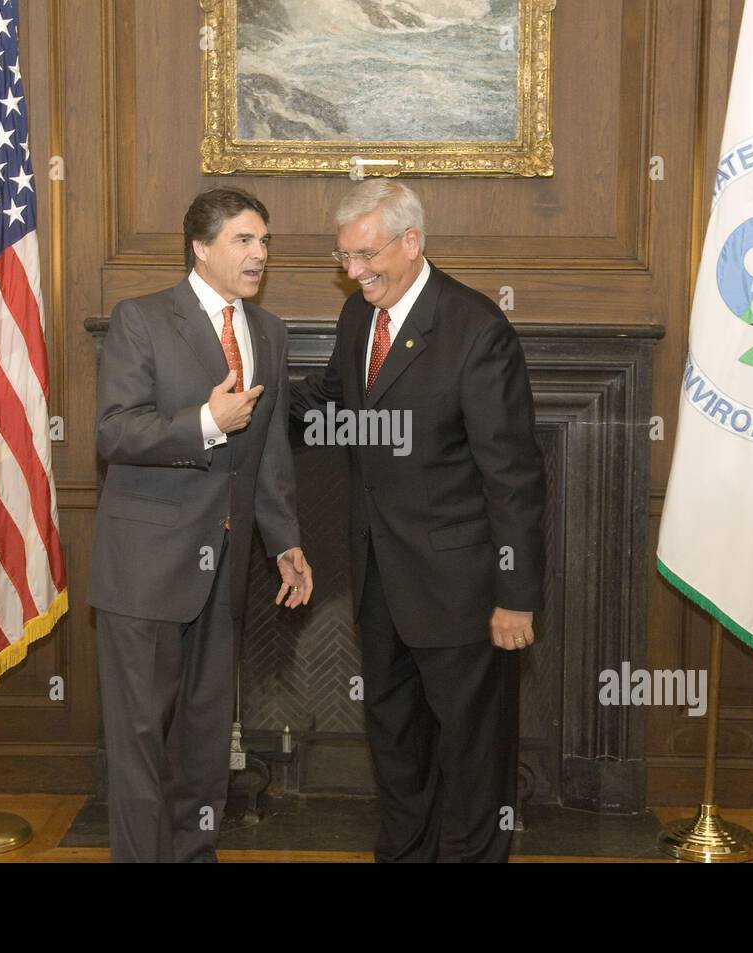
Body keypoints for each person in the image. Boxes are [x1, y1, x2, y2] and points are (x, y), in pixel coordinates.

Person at [291, 180, 545, 863]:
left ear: (412, 241)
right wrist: (239, 400)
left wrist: (515, 596)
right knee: (396, 744)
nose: (353, 271)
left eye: (366, 254)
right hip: (379, 584)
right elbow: (325, 404)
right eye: (344, 256)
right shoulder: (357, 320)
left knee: (473, 755)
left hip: (462, 592)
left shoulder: (476, 330)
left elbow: (513, 478)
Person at [89, 187, 313, 862]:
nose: (259, 254)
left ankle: (195, 854)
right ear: (201, 246)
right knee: (139, 743)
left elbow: (268, 449)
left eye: (265, 242)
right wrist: (206, 423)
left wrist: (287, 541)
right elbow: (113, 432)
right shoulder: (141, 319)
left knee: (207, 735)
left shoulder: (267, 332)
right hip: (143, 571)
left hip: (224, 569)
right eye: (245, 240)